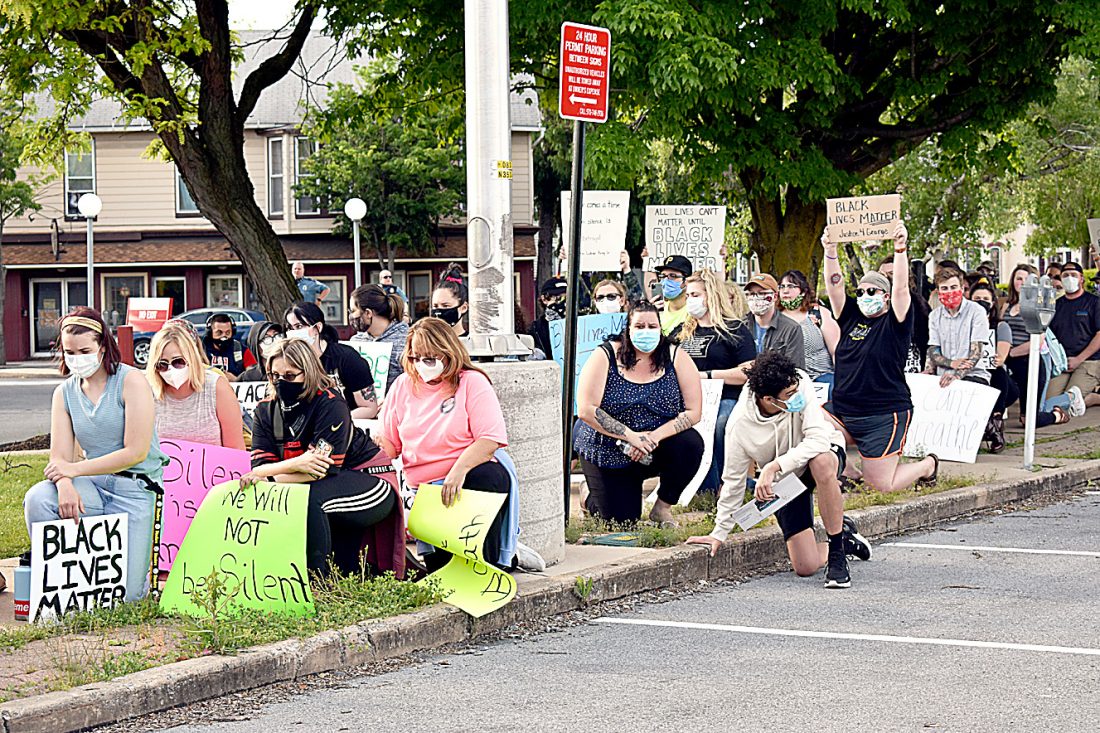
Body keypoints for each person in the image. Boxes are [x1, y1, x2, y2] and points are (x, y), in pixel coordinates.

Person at [686, 351, 872, 588]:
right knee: (805, 566)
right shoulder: (739, 426)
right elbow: (733, 481)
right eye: (789, 395)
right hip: (787, 479)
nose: (797, 397)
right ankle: (845, 537)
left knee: (821, 461)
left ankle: (836, 551)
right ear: (768, 399)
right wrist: (718, 533)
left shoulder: (799, 382)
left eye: (796, 389)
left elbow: (818, 440)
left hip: (819, 453)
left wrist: (774, 466)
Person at [24, 307, 168, 602]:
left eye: (84, 350)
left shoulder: (131, 381)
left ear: (103, 346)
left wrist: (73, 471)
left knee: (124, 598)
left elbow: (135, 452)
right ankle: (60, 579)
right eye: (69, 352)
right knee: (39, 498)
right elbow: (60, 459)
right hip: (93, 486)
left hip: (136, 489)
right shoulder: (63, 393)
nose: (77, 358)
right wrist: (64, 484)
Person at [244, 339, 400, 577]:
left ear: (308, 372)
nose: (280, 381)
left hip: (369, 479)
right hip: (319, 483)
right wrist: (293, 464)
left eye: (289, 375)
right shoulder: (265, 410)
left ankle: (317, 583)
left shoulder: (330, 402)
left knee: (308, 499)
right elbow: (262, 466)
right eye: (274, 375)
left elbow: (318, 469)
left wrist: (269, 475)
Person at [377, 318, 515, 571]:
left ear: (447, 353)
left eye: (429, 358)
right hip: (422, 491)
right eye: (414, 358)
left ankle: (489, 559)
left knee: (488, 476)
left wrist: (457, 472)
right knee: (440, 567)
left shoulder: (472, 382)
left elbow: (489, 439)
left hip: (467, 475)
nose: (421, 366)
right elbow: (390, 445)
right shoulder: (402, 386)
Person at [821, 221, 938, 492]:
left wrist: (899, 250)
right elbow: (834, 285)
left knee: (880, 487)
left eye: (871, 291)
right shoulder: (851, 317)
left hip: (883, 414)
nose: (864, 296)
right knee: (805, 423)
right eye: (860, 292)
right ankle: (848, 470)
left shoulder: (896, 322)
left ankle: (927, 466)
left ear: (885, 297)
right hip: (844, 411)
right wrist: (830, 250)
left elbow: (900, 290)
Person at [573, 299, 704, 525]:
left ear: (660, 329)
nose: (646, 331)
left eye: (652, 327)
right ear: (628, 329)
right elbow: (586, 409)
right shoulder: (604, 355)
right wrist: (630, 436)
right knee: (622, 521)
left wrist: (652, 438)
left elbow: (693, 412)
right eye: (639, 326)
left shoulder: (676, 357)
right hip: (607, 445)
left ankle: (663, 507)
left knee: (690, 443)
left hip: (655, 443)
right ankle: (589, 496)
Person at [670, 270, 755, 494]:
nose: (690, 300)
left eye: (696, 295)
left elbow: (749, 370)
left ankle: (726, 487)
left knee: (720, 424)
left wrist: (708, 375)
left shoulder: (735, 330)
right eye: (688, 296)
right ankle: (700, 488)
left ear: (711, 296)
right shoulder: (681, 333)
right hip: (689, 401)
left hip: (726, 397)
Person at [146, 324, 245, 450]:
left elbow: (235, 450)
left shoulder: (217, 387)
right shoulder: (146, 391)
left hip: (213, 469)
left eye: (178, 362)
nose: (170, 369)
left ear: (191, 358)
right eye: (162, 365)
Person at [285, 302, 379, 419]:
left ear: (317, 328)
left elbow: (369, 408)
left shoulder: (347, 358)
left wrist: (335, 420)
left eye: (299, 327)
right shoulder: (288, 361)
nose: (293, 333)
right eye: (289, 328)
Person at [968, 280, 1018, 452]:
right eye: (976, 299)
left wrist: (998, 359)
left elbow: (1002, 356)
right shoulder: (964, 326)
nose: (981, 302)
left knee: (997, 373)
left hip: (998, 380)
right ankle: (992, 428)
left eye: (985, 299)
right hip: (970, 373)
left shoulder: (1000, 326)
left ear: (992, 303)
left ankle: (996, 420)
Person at [1046, 261, 1100, 411]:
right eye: (1065, 275)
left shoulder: (1094, 302)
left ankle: (1094, 398)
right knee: (1049, 403)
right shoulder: (1056, 305)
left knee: (1069, 402)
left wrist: (1078, 359)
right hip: (1062, 363)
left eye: (1073, 275)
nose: (1069, 278)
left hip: (1088, 362)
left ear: (1081, 278)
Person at [925, 268, 991, 388]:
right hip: (942, 377)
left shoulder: (976, 311)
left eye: (953, 287)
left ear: (962, 288)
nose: (949, 292)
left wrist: (956, 376)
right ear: (938, 291)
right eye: (944, 288)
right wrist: (930, 369)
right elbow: (933, 350)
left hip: (973, 375)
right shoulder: (934, 316)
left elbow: (975, 353)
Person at [777, 269, 839, 386]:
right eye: (782, 287)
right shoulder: (774, 319)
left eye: (791, 286)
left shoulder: (818, 313)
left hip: (822, 379)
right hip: (788, 383)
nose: (785, 291)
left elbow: (836, 352)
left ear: (803, 291)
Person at [348, 283, 409, 390]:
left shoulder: (406, 341)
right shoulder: (356, 341)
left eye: (353, 311)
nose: (351, 316)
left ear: (368, 313)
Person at [745, 273, 805, 369]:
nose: (756, 298)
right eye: (751, 294)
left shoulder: (791, 329)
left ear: (775, 296)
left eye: (762, 293)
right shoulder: (739, 326)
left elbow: (796, 370)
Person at [202, 313, 254, 380]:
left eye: (228, 333)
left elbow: (252, 378)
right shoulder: (201, 351)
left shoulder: (241, 350)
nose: (224, 336)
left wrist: (236, 380)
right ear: (210, 333)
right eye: (219, 333)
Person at [529, 277, 568, 356]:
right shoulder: (536, 328)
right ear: (544, 299)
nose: (563, 303)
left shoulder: (577, 324)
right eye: (558, 298)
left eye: (567, 299)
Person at [654, 255, 691, 334]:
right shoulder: (658, 309)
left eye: (673, 276)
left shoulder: (693, 311)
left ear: (686, 281)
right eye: (663, 276)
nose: (666, 280)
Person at [431, 263, 469, 337]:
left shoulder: (473, 342)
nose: (439, 311)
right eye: (435, 306)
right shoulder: (427, 342)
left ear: (464, 308)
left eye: (445, 305)